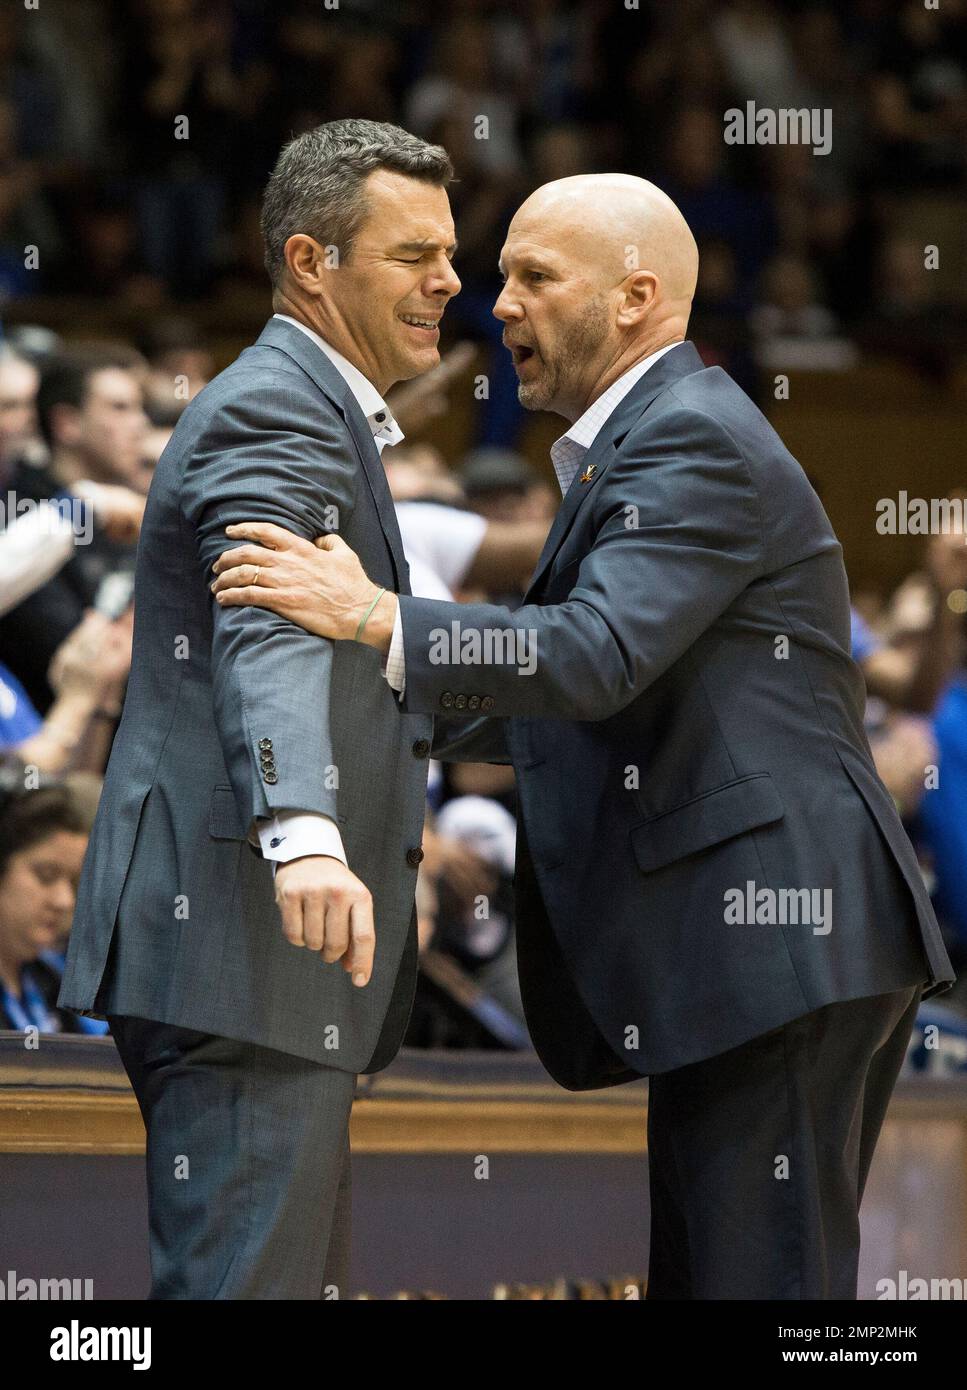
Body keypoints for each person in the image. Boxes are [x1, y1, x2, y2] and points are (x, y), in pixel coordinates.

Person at [210, 172, 955, 1300]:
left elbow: (590, 655)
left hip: (778, 932)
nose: (493, 302)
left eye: (532, 277)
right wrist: (376, 669)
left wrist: (374, 617)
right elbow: (588, 695)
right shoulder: (653, 439)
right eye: (500, 274)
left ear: (635, 298)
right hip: (752, 943)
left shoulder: (691, 440)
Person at [57, 119, 460, 1299]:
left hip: (263, 965)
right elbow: (269, 620)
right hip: (245, 935)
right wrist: (305, 834)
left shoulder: (321, 409)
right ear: (310, 262)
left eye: (450, 253)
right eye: (412, 253)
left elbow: (352, 650)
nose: (449, 280)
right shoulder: (276, 406)